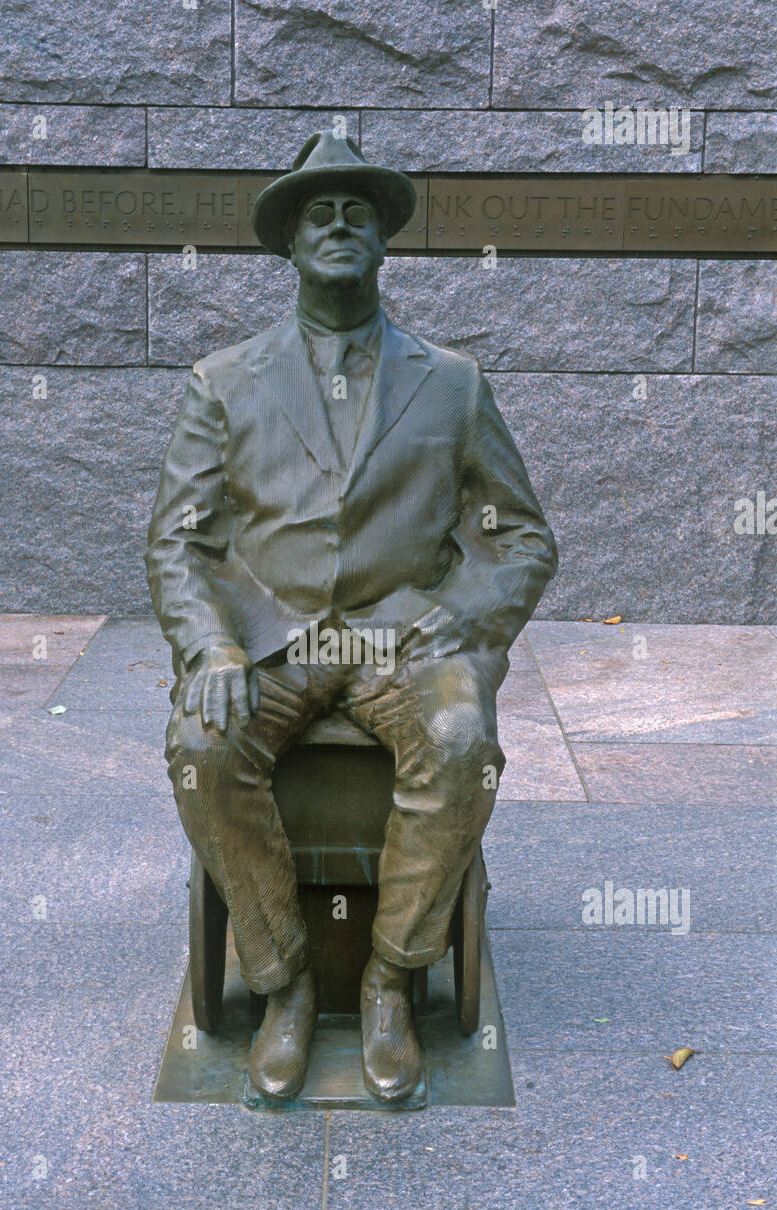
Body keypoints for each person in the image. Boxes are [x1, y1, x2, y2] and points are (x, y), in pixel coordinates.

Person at [146, 131, 558, 1101]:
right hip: (269, 632)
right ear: (288, 245)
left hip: (405, 631)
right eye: (316, 214)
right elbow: (178, 540)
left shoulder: (451, 383)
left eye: (356, 212)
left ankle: (389, 976)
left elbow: (523, 537)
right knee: (201, 742)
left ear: (383, 242)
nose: (337, 226)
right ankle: (283, 980)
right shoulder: (222, 382)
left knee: (461, 740)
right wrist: (208, 641)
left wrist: (462, 620)